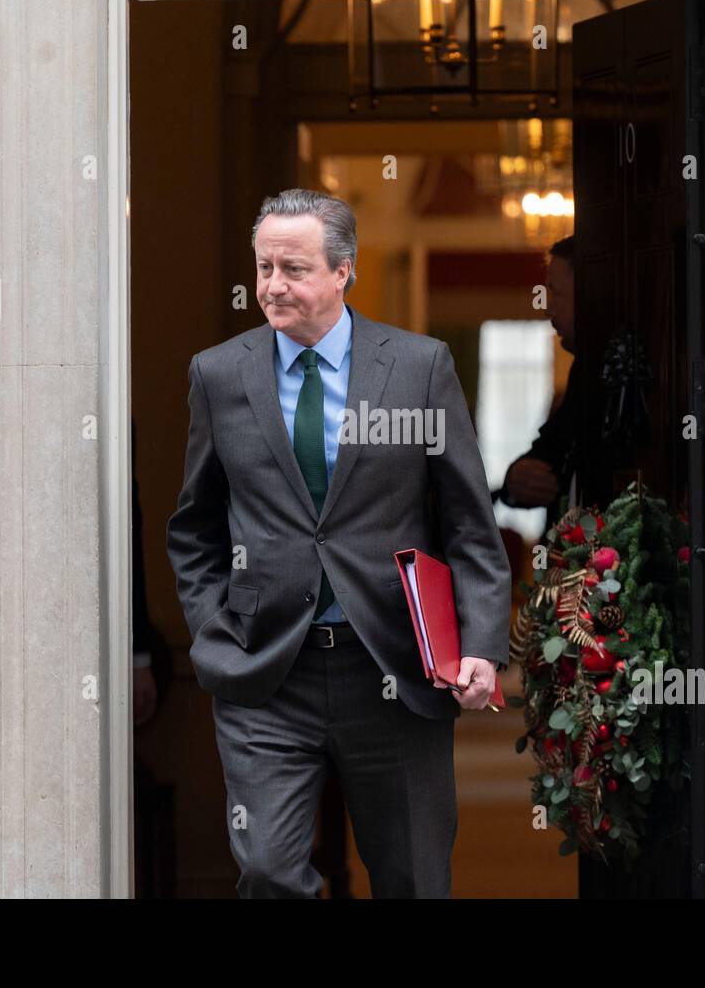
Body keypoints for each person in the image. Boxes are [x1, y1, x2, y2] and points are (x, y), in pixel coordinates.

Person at [166, 188, 511, 899]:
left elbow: (468, 521)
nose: (271, 286)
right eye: (263, 268)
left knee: (413, 877)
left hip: (394, 664)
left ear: (342, 270)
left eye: (292, 269)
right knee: (267, 870)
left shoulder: (419, 367)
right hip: (267, 669)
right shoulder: (219, 374)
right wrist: (213, 630)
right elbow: (194, 526)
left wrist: (480, 642)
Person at [498, 235, 579, 522]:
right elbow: (545, 457)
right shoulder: (582, 372)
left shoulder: (593, 373)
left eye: (555, 293)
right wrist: (514, 478)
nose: (547, 308)